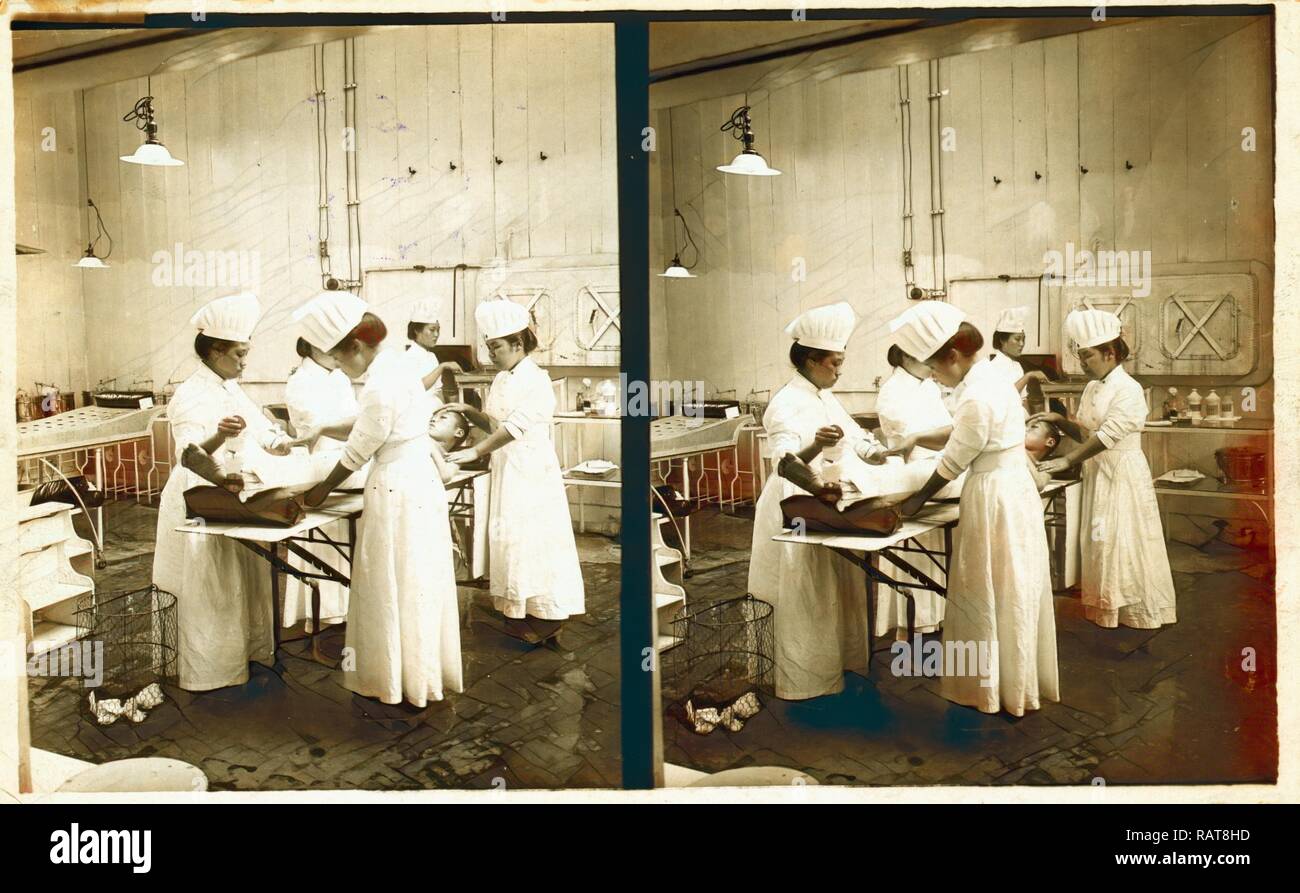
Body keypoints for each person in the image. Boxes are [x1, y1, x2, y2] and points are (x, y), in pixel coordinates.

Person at [893, 300, 1059, 716]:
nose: (932, 373)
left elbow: (954, 459)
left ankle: (992, 688)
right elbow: (963, 433)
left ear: (952, 356)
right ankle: (1012, 679)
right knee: (1013, 583)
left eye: (933, 365)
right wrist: (915, 439)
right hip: (1011, 488)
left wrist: (915, 500)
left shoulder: (977, 393)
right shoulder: (989, 379)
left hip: (994, 496)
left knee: (989, 584)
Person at [301, 292, 463, 707]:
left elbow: (361, 446)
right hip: (417, 480)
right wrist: (321, 429)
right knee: (416, 579)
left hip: (396, 487)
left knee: (393, 580)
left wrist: (322, 488)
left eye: (339, 359)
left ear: (355, 347)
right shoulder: (396, 367)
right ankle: (419, 673)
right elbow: (369, 424)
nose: (340, 367)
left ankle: (394, 680)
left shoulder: (378, 384)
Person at [153, 292, 296, 691]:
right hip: (198, 497)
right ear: (216, 351)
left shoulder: (231, 387)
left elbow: (259, 425)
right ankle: (210, 670)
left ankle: (243, 655)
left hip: (233, 492)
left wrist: (277, 440)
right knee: (209, 584)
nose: (245, 362)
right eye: (240, 354)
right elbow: (189, 454)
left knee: (239, 574)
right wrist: (220, 434)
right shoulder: (190, 394)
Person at [748, 302, 891, 700]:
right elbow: (785, 463)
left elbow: (853, 434)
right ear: (812, 359)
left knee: (834, 582)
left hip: (827, 500)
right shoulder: (785, 403)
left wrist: (877, 451)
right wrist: (816, 448)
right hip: (795, 505)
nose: (840, 370)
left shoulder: (826, 396)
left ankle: (836, 665)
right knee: (805, 591)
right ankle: (804, 679)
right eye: (835, 363)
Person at [445, 300, 585, 645]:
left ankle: (548, 616)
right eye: (490, 347)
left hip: (531, 471)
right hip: (508, 467)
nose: (490, 354)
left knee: (533, 542)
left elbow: (515, 428)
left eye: (495, 347)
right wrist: (467, 410)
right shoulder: (504, 379)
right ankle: (517, 609)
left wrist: (476, 450)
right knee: (511, 541)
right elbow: (496, 423)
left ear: (517, 344)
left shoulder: (536, 380)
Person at [1032, 309, 1177, 630]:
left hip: (1122, 473)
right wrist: (1059, 421)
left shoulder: (1128, 389)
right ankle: (1107, 609)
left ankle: (1137, 610)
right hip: (1098, 472)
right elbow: (1086, 434)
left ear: (1110, 353)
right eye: (1080, 356)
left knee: (1124, 539)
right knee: (1102, 542)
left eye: (1087, 356)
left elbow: (1108, 436)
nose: (1083, 363)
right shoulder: (1093, 387)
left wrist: (1069, 460)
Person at [871, 343, 961, 641]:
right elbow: (923, 440)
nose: (933, 363)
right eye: (926, 356)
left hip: (937, 470)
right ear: (906, 356)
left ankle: (934, 620)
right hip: (914, 476)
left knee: (933, 554)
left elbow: (948, 431)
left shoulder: (927, 386)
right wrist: (946, 436)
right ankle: (910, 627)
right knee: (914, 558)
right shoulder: (893, 391)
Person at [280, 325, 364, 633]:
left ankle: (343, 614)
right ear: (312, 347)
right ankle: (323, 620)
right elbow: (312, 430)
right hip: (320, 466)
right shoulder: (299, 382)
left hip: (348, 464)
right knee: (322, 547)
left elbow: (356, 420)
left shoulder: (339, 378)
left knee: (344, 543)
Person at [988, 306, 1048, 411]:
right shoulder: (993, 366)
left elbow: (1023, 400)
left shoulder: (1017, 366)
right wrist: (1029, 375)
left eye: (1023, 339)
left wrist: (1030, 421)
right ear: (1002, 340)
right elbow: (1005, 397)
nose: (1022, 344)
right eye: (1017, 339)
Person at [405, 298, 462, 403]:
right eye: (432, 330)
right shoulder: (408, 357)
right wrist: (442, 366)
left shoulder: (431, 356)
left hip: (435, 408)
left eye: (438, 330)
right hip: (417, 409)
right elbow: (417, 388)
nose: (436, 334)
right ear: (417, 330)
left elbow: (438, 390)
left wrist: (444, 409)